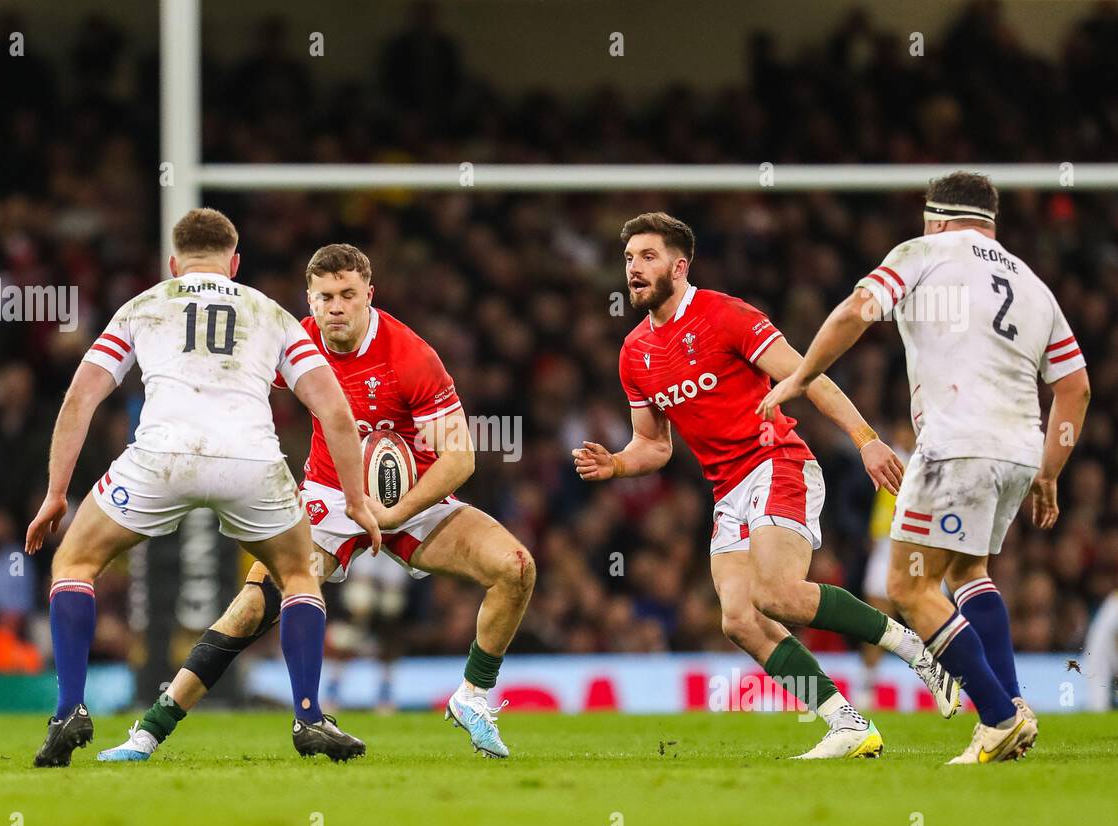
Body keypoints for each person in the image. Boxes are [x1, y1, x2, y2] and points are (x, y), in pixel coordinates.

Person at [98, 243, 535, 761]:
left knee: (515, 567)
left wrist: (394, 513)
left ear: (369, 295)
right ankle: (149, 733)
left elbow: (460, 458)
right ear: (310, 300)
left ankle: (472, 697)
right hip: (331, 498)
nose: (336, 307)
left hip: (413, 500)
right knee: (252, 608)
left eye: (348, 294)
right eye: (325, 297)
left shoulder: (409, 356)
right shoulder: (296, 343)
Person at [575, 212, 959, 760]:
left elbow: (808, 377)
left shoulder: (726, 315)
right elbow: (654, 445)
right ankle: (847, 723)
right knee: (740, 620)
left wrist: (867, 440)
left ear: (679, 267)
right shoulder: (634, 353)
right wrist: (615, 464)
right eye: (629, 258)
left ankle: (917, 649)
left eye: (648, 257)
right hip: (727, 490)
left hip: (777, 462)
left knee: (776, 594)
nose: (634, 269)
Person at [24, 209, 379, 767]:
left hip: (161, 458)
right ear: (234, 264)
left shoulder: (143, 306)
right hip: (251, 462)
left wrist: (55, 494)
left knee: (73, 563)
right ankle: (310, 717)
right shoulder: (270, 313)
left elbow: (80, 398)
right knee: (297, 576)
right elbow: (334, 410)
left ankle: (69, 710)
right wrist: (356, 501)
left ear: (174, 264)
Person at [760, 171, 1091, 763]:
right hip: (1019, 452)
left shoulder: (923, 252)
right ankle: (1014, 705)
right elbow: (1076, 387)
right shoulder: (1031, 283)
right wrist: (1050, 470)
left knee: (907, 586)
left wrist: (802, 376)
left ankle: (997, 717)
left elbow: (856, 311)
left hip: (956, 444)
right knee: (966, 571)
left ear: (936, 218)